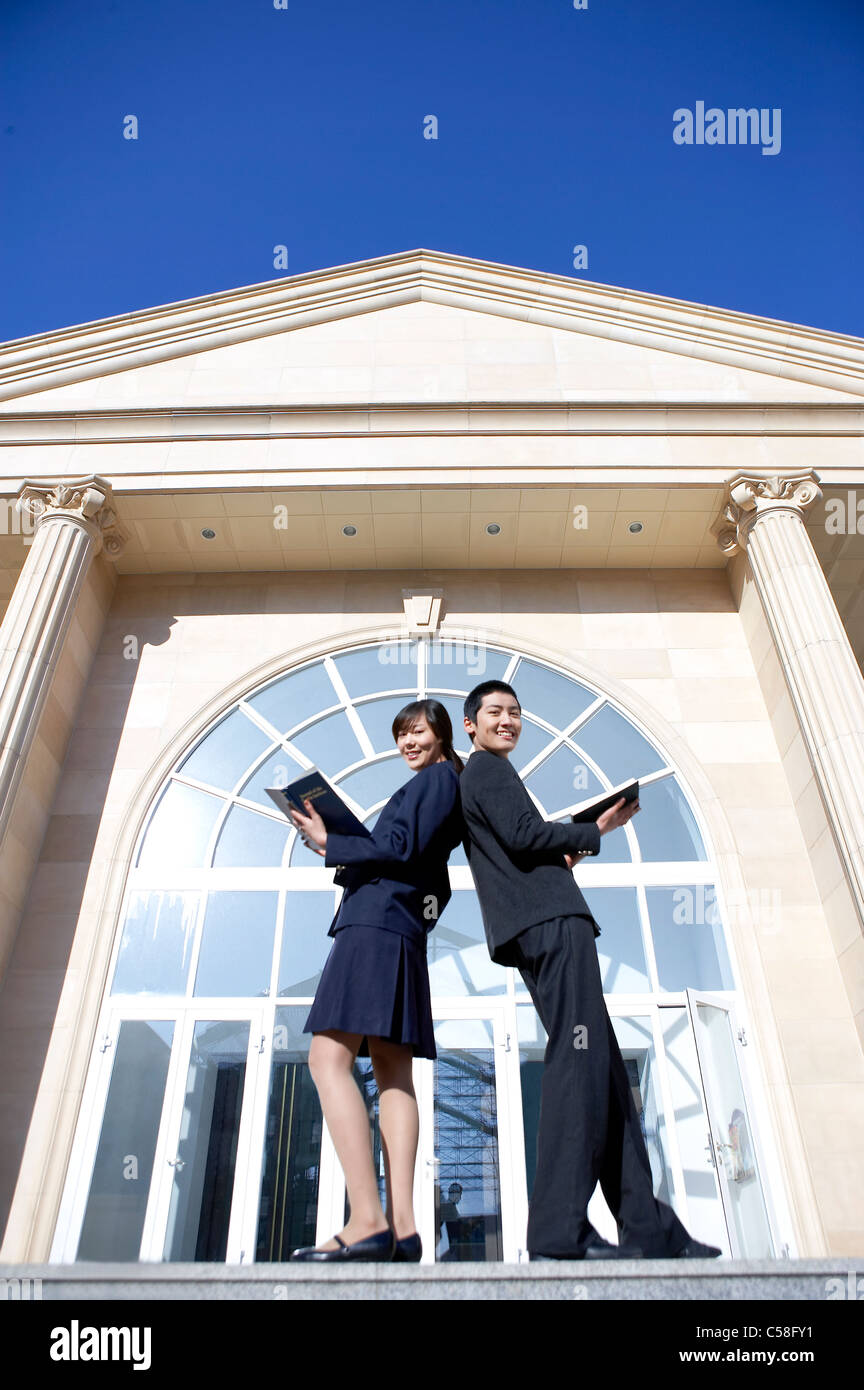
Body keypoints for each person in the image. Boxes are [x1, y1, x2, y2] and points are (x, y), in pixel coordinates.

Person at [460, 679, 721, 1262]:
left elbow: (519, 848)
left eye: (516, 713)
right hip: (552, 924)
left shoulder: (486, 777)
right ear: (471, 725)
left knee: (603, 1072)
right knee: (579, 1060)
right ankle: (558, 1227)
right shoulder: (485, 771)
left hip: (546, 920)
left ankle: (649, 1228)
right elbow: (526, 836)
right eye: (495, 712)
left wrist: (568, 848)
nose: (508, 721)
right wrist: (595, 828)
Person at [287, 698, 464, 1263]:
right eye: (401, 735)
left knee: (326, 1059)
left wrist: (330, 841)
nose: (409, 742)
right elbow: (418, 863)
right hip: (398, 927)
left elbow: (398, 848)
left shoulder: (437, 782)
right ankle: (404, 1228)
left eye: (417, 731)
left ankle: (367, 1218)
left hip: (376, 926)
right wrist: (344, 849)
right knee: (392, 1070)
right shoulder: (441, 786)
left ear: (440, 735)